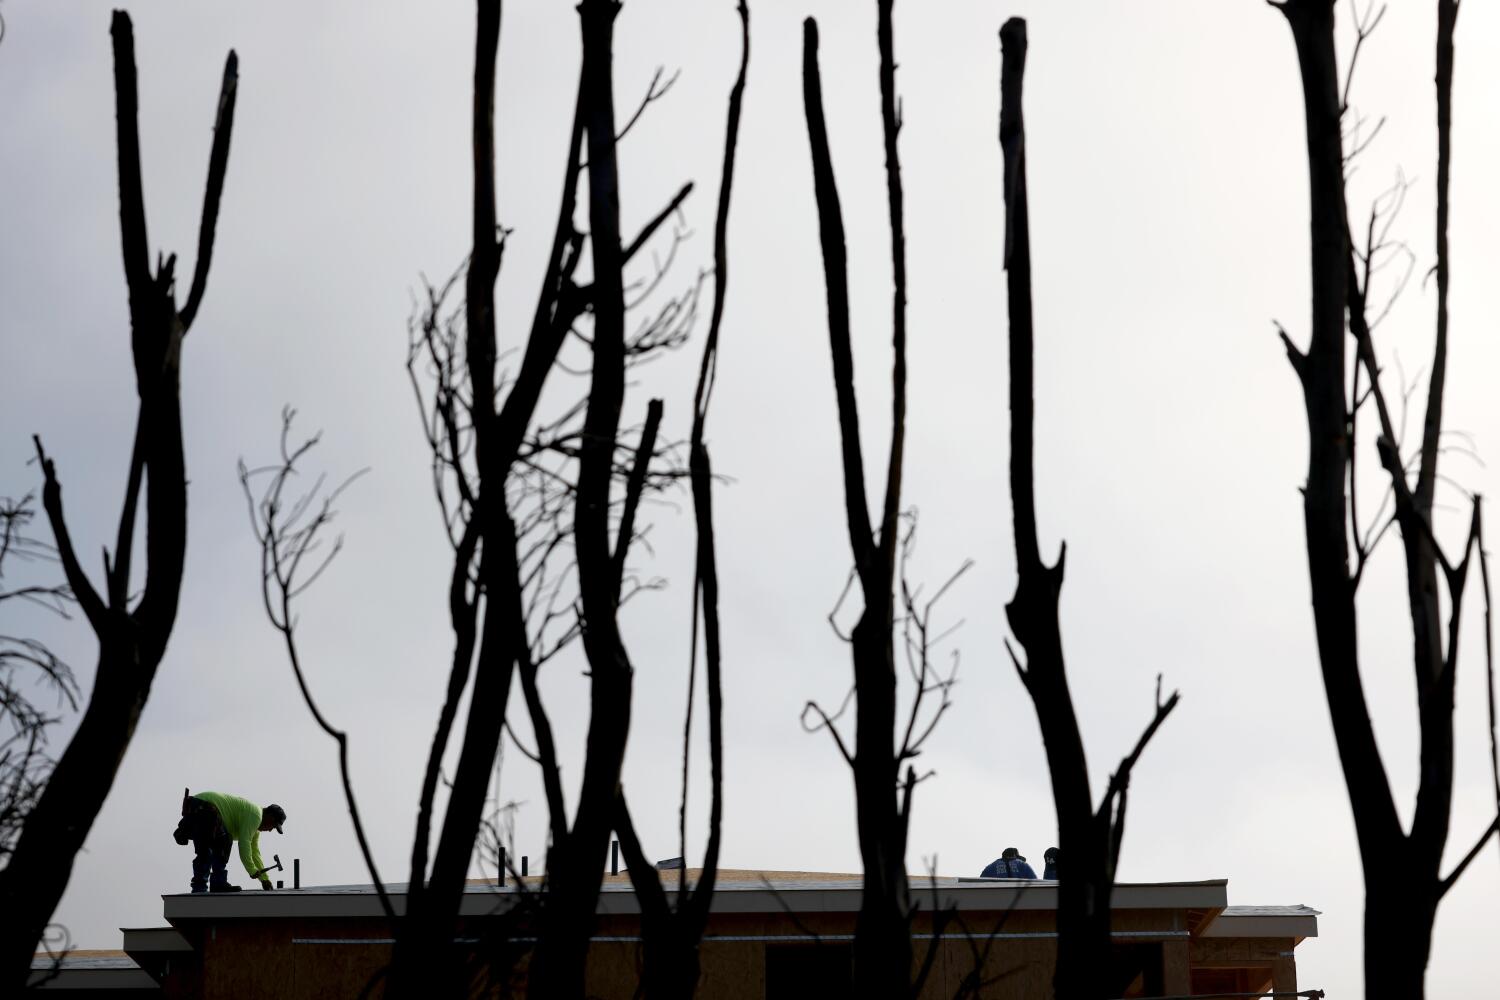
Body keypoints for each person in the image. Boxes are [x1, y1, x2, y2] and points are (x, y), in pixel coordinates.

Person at [173, 789, 285, 893]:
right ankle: (216, 883)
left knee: (207, 849)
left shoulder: (255, 828)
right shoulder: (256, 815)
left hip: (197, 807)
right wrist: (251, 870)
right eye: (273, 826)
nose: (270, 830)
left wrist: (264, 879)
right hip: (205, 806)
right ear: (270, 816)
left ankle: (200, 888)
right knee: (224, 840)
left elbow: (255, 853)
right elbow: (244, 844)